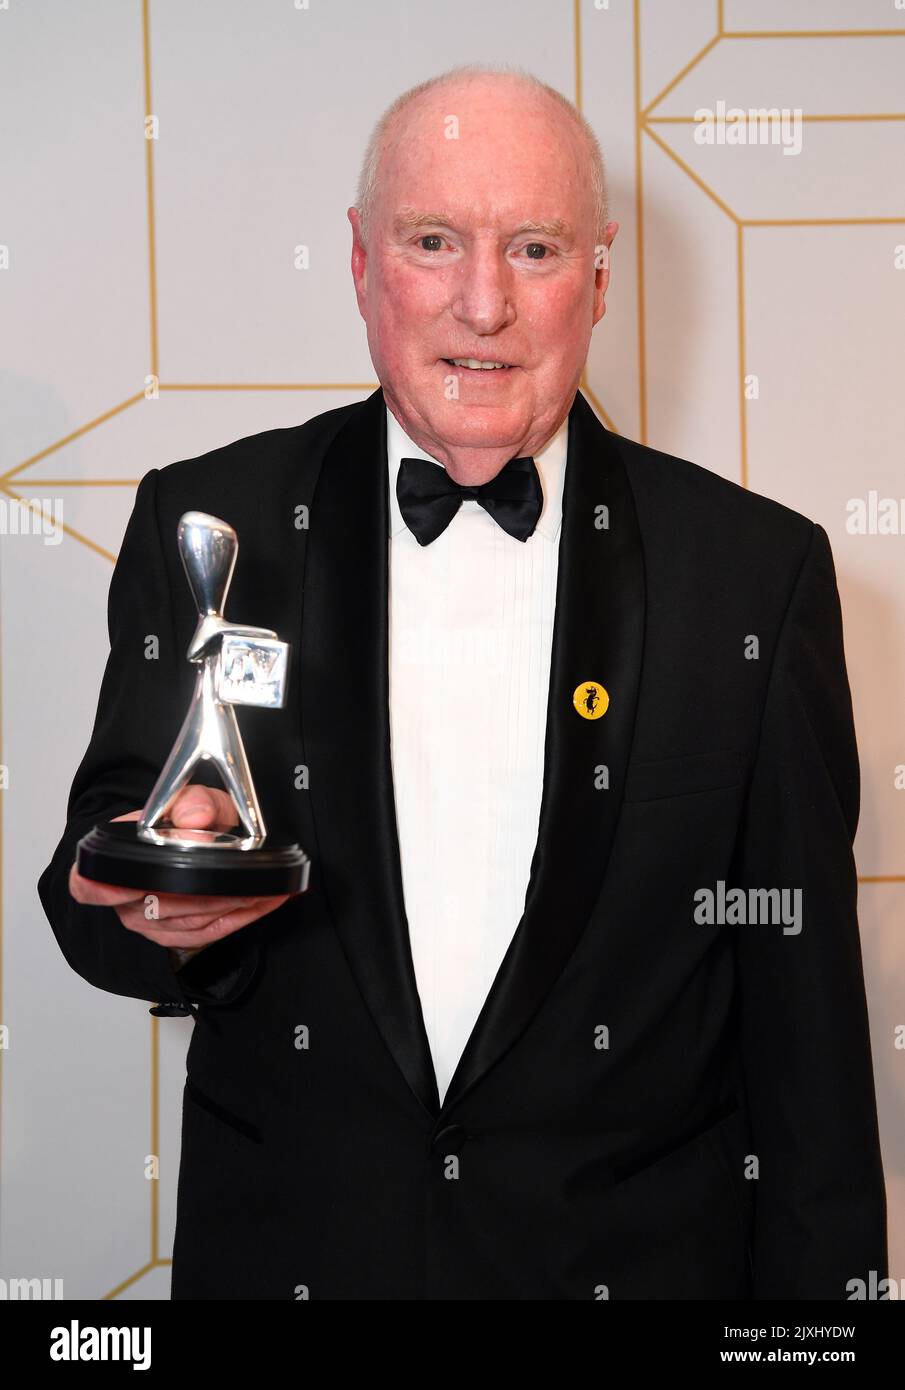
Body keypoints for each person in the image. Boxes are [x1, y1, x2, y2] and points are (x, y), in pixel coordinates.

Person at [39, 64, 887, 1300]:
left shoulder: (755, 578)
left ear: (597, 277)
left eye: (533, 248)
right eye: (432, 240)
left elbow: (805, 1039)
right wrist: (160, 916)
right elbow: (96, 893)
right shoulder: (211, 526)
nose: (481, 304)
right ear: (360, 262)